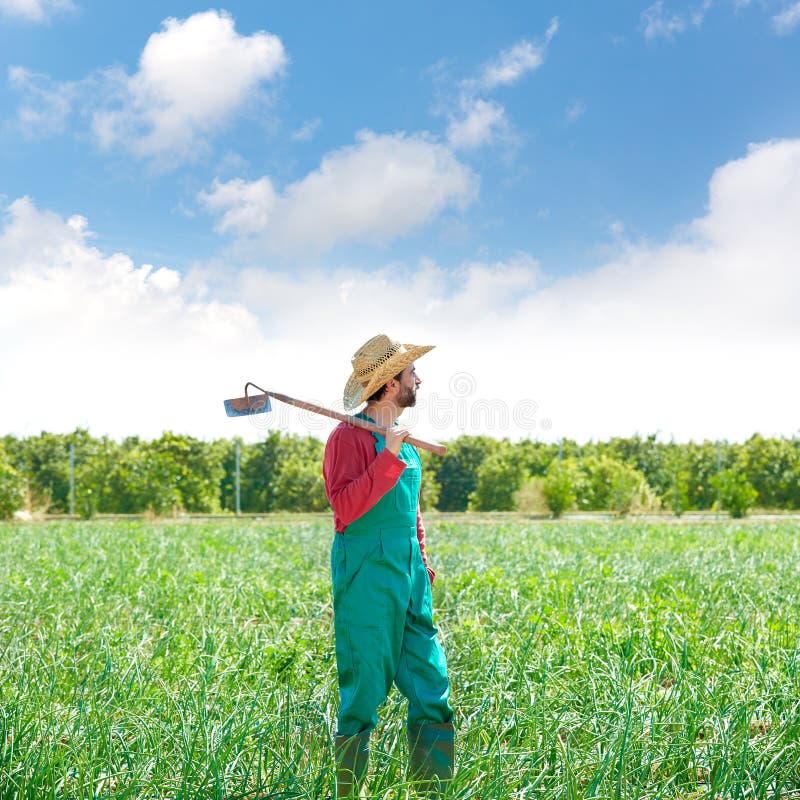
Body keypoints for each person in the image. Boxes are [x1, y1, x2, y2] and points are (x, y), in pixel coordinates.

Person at [323, 333, 454, 797]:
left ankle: (430, 791)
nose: (418, 377)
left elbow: (411, 507)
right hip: (367, 570)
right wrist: (388, 457)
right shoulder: (348, 437)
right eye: (410, 372)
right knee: (363, 693)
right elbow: (345, 508)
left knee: (431, 684)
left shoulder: (405, 440)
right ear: (389, 386)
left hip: (409, 572)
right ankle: (348, 791)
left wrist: (421, 558)